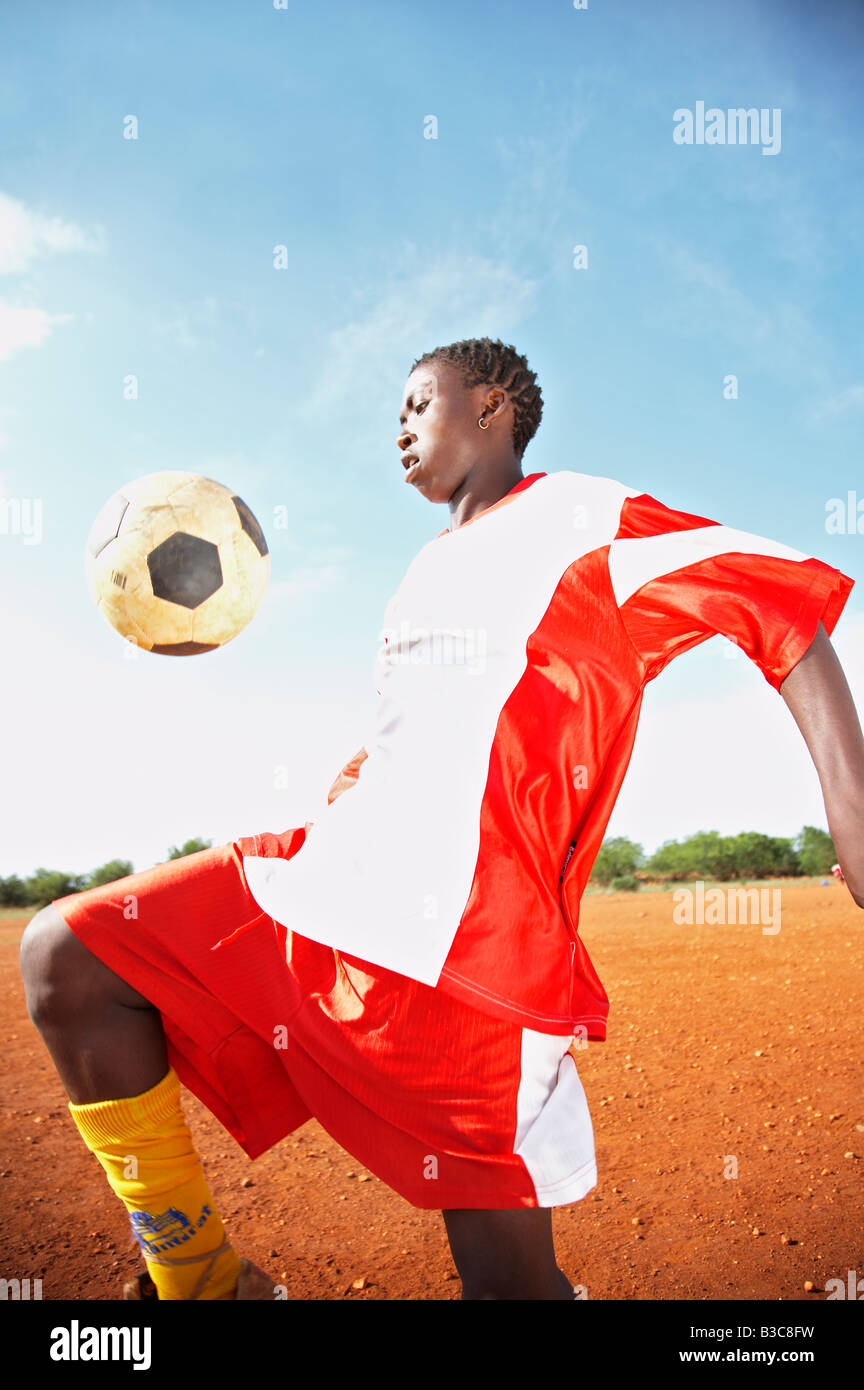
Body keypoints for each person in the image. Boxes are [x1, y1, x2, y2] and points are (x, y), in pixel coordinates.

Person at [20, 337, 864, 1302]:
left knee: (508, 1286)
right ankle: (204, 1282)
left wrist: (855, 819)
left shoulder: (585, 514)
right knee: (67, 956)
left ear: (493, 406)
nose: (400, 429)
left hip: (472, 962)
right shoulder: (425, 569)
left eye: (419, 404)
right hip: (329, 888)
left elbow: (782, 607)